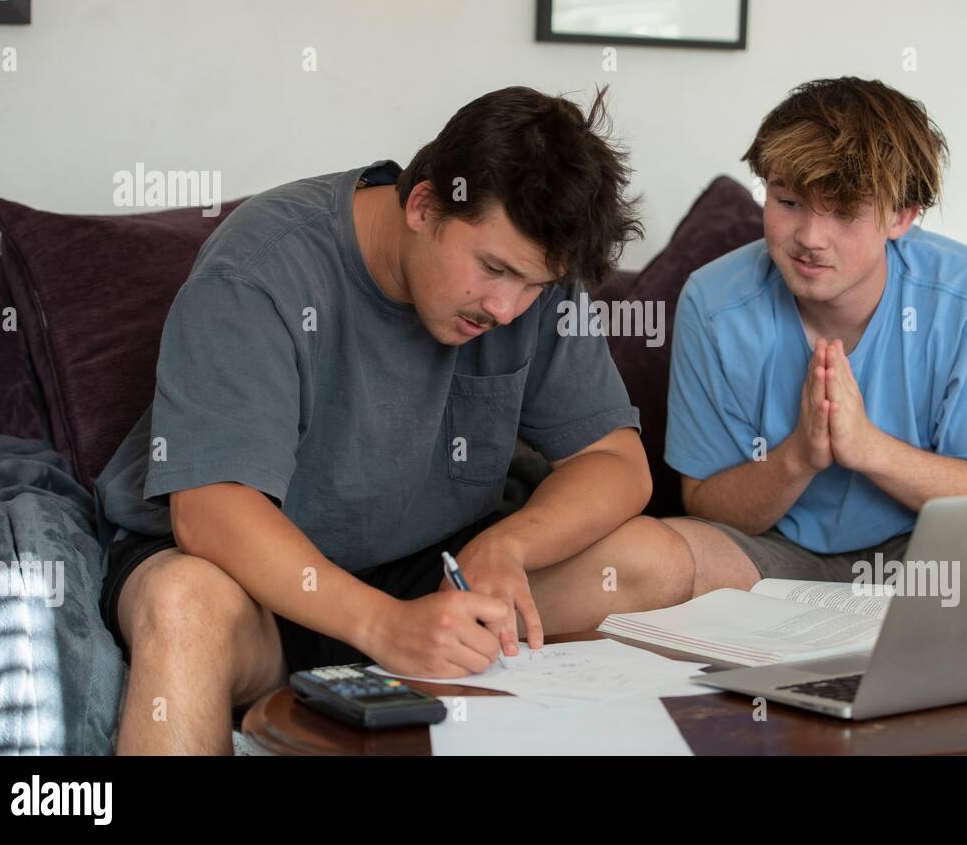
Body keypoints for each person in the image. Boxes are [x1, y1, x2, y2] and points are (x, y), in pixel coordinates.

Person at [93, 86, 695, 754]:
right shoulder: (258, 269)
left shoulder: (531, 281)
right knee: (182, 604)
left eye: (534, 286)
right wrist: (384, 627)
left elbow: (615, 463)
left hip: (432, 570)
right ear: (423, 204)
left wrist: (506, 547)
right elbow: (209, 511)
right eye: (493, 269)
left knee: (654, 560)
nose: (506, 307)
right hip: (250, 584)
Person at [657, 77, 967, 592]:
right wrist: (799, 457)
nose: (810, 239)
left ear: (901, 216)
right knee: (643, 555)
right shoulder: (712, 300)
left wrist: (867, 448)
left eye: (842, 212)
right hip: (766, 555)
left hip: (922, 553)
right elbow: (704, 503)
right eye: (787, 200)